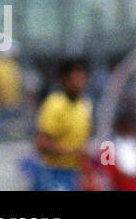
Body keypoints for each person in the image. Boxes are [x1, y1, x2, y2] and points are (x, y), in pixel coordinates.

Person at [33, 59, 93, 191]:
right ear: (64, 79)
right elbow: (41, 143)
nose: (80, 81)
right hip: (53, 172)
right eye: (75, 77)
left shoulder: (85, 104)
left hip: (75, 173)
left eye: (83, 76)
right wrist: (72, 152)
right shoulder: (54, 104)